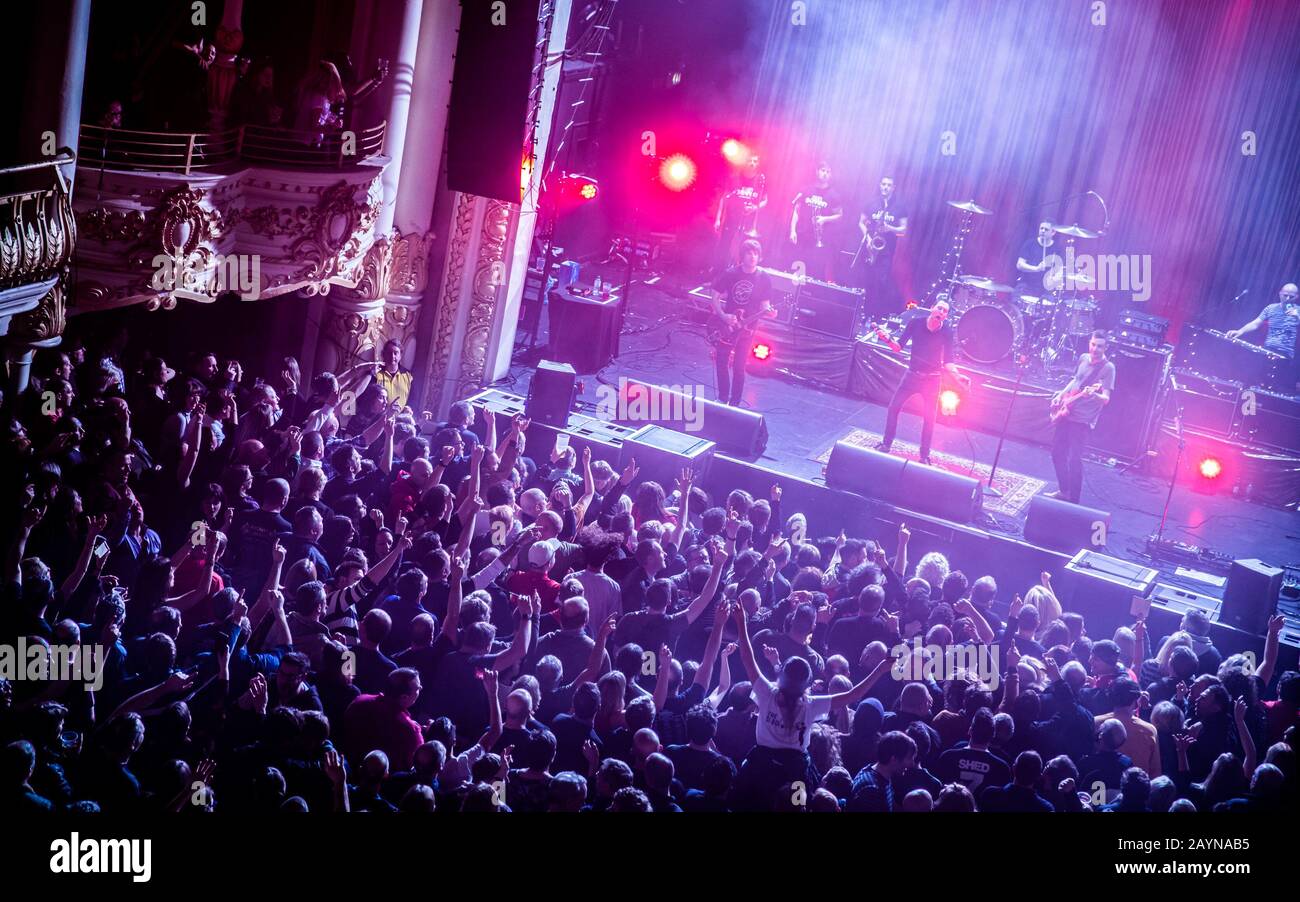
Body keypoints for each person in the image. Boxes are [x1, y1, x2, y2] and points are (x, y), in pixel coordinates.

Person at [877, 300, 971, 465]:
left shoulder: (947, 332)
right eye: (939, 308)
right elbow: (898, 347)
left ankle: (924, 455)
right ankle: (886, 444)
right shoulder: (915, 324)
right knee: (894, 407)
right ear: (932, 309)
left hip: (932, 380)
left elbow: (948, 361)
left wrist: (958, 376)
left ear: (945, 316)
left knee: (929, 418)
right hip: (912, 375)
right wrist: (886, 339)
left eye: (945, 311)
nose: (941, 312)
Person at [1047, 331, 1115, 504]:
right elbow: (1075, 380)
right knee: (1056, 453)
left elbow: (1106, 398)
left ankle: (1074, 501)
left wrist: (1092, 395)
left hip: (1083, 420)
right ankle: (1064, 490)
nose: (1095, 349)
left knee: (1074, 459)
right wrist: (1061, 395)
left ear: (1105, 347)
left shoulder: (1108, 368)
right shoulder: (1083, 358)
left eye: (1099, 346)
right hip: (1066, 412)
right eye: (1093, 344)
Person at [710, 239, 774, 408]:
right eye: (749, 253)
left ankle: (735, 402)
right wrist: (723, 316)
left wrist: (771, 312)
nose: (752, 257)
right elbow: (714, 295)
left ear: (759, 257)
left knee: (739, 366)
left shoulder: (764, 278)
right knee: (721, 361)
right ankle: (723, 397)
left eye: (755, 254)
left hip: (748, 329)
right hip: (729, 325)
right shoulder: (731, 273)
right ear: (742, 256)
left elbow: (765, 306)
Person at [1225, 282, 1299, 390]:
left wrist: (1297, 316)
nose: (1287, 298)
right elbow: (1256, 323)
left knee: (1277, 387)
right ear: (1280, 294)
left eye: (1291, 296)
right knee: (1256, 379)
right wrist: (1240, 331)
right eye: (1285, 295)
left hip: (1285, 354)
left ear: (1297, 297)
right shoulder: (1271, 308)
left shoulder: (1298, 311)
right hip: (1268, 349)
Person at [855, 175, 908, 313]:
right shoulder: (871, 203)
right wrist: (867, 239)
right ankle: (861, 312)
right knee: (865, 281)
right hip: (869, 248)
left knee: (880, 283)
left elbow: (904, 230)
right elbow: (861, 222)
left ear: (893, 188)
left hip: (886, 251)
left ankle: (875, 314)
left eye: (889, 185)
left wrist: (890, 228)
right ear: (880, 185)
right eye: (883, 184)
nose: (885, 187)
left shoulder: (900, 206)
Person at [713, 153, 767, 274]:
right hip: (731, 218)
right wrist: (718, 218)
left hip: (748, 222)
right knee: (724, 246)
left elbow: (765, 200)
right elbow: (724, 198)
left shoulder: (760, 180)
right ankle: (718, 273)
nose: (752, 163)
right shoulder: (735, 178)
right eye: (750, 160)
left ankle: (739, 273)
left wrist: (754, 208)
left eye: (755, 161)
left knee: (744, 248)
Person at [789, 161, 843, 281]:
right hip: (803, 235)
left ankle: (809, 295)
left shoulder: (834, 195)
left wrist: (825, 219)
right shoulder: (806, 190)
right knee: (797, 266)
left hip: (821, 239)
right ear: (817, 172)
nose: (825, 174)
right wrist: (792, 230)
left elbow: (840, 216)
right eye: (823, 170)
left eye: (828, 172)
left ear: (831, 175)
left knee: (814, 269)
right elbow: (796, 211)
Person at [372, 339, 414, 410]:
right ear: (383, 354)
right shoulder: (376, 374)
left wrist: (408, 408)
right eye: (389, 353)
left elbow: (413, 400)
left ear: (400, 356)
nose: (392, 356)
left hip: (399, 419)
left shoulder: (408, 376)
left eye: (396, 353)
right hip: (378, 419)